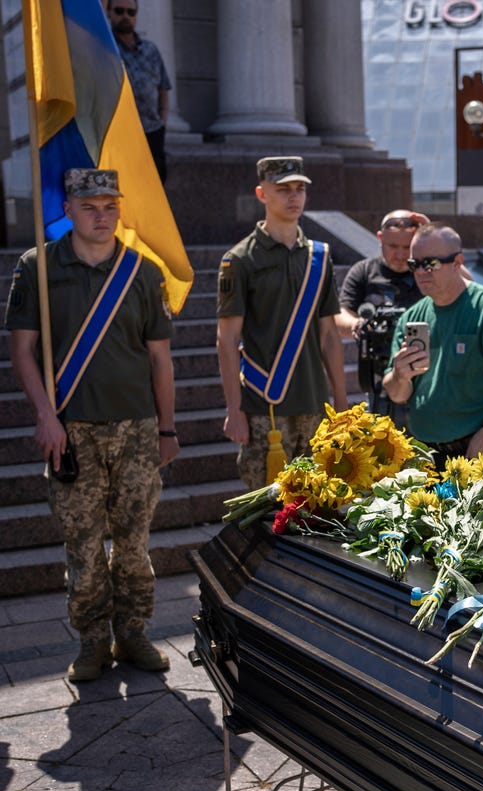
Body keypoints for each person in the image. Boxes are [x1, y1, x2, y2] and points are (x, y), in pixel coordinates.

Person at [5, 168, 179, 681]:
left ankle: (134, 634)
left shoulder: (143, 272)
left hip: (138, 431)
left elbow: (161, 360)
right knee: (82, 547)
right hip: (71, 432)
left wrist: (167, 429)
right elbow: (22, 350)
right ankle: (90, 642)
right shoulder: (37, 266)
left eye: (109, 206)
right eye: (89, 207)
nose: (101, 217)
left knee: (133, 543)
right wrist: (44, 416)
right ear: (68, 209)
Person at [217, 156, 348, 489]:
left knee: (319, 509)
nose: (294, 198)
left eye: (299, 189)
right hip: (265, 409)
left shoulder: (319, 256)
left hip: (315, 405)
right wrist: (234, 409)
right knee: (267, 513)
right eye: (284, 190)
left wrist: (343, 404)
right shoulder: (240, 259)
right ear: (262, 194)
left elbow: (330, 335)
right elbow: (227, 339)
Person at [382, 224, 483, 466]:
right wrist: (400, 375)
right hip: (426, 454)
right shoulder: (411, 317)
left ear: (457, 262)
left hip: (481, 448)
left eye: (430, 263)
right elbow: (399, 395)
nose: (420, 272)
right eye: (414, 264)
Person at [337, 210, 429, 426]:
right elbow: (339, 315)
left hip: (425, 379)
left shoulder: (427, 271)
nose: (400, 255)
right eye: (393, 247)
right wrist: (359, 325)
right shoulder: (364, 271)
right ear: (380, 238)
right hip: (379, 380)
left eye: (407, 248)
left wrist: (429, 237)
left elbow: (463, 287)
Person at [108, 0, 171, 184]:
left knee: (155, 187)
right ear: (109, 12)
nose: (125, 16)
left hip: (152, 132)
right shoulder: (105, 48)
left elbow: (163, 89)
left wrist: (163, 122)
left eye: (131, 12)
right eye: (119, 11)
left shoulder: (151, 50)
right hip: (119, 133)